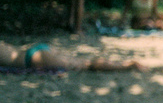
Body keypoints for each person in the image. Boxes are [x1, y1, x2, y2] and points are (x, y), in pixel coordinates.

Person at [0, 41, 145, 72]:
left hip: (33, 58)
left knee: (86, 65)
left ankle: (126, 66)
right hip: (35, 51)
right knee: (84, 62)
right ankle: (125, 64)